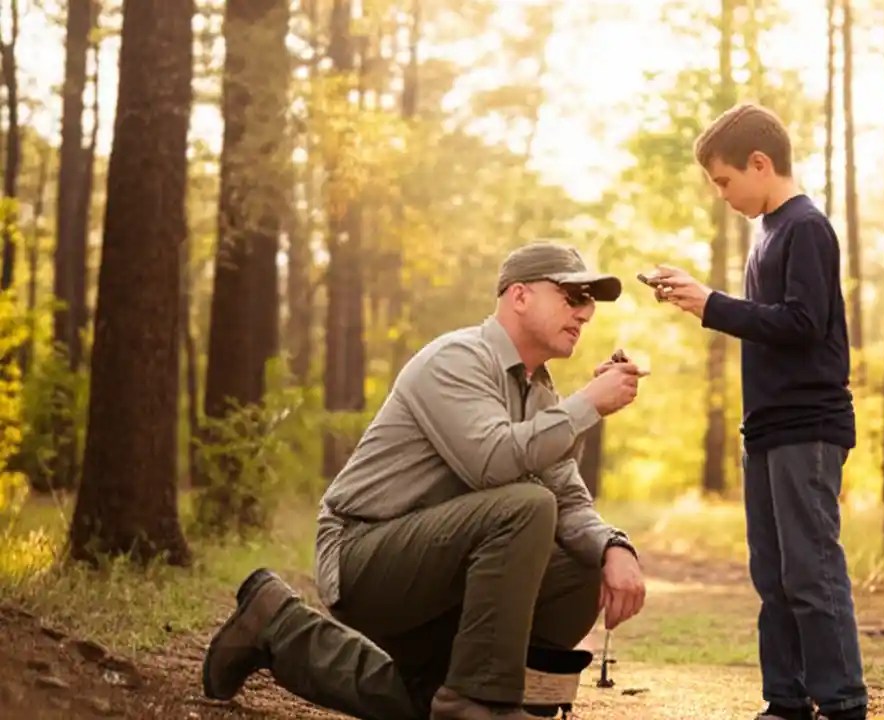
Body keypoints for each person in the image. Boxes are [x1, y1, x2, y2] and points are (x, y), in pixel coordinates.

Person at [201, 242, 649, 720]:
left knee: (578, 566)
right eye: (572, 296)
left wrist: (612, 546)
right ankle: (482, 700)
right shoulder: (457, 359)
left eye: (590, 302)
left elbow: (567, 498)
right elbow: (492, 462)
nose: (585, 313)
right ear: (519, 296)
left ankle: (276, 625)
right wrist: (587, 405)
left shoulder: (540, 393)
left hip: (446, 571)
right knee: (527, 506)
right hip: (365, 553)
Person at [645, 103, 868, 720]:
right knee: (772, 576)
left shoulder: (806, 227)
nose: (721, 195)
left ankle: (843, 702)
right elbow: (769, 325)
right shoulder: (765, 232)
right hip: (766, 428)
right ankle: (786, 700)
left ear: (761, 163)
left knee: (811, 570)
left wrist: (712, 304)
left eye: (724, 180)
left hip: (808, 425)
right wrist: (704, 298)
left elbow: (802, 324)